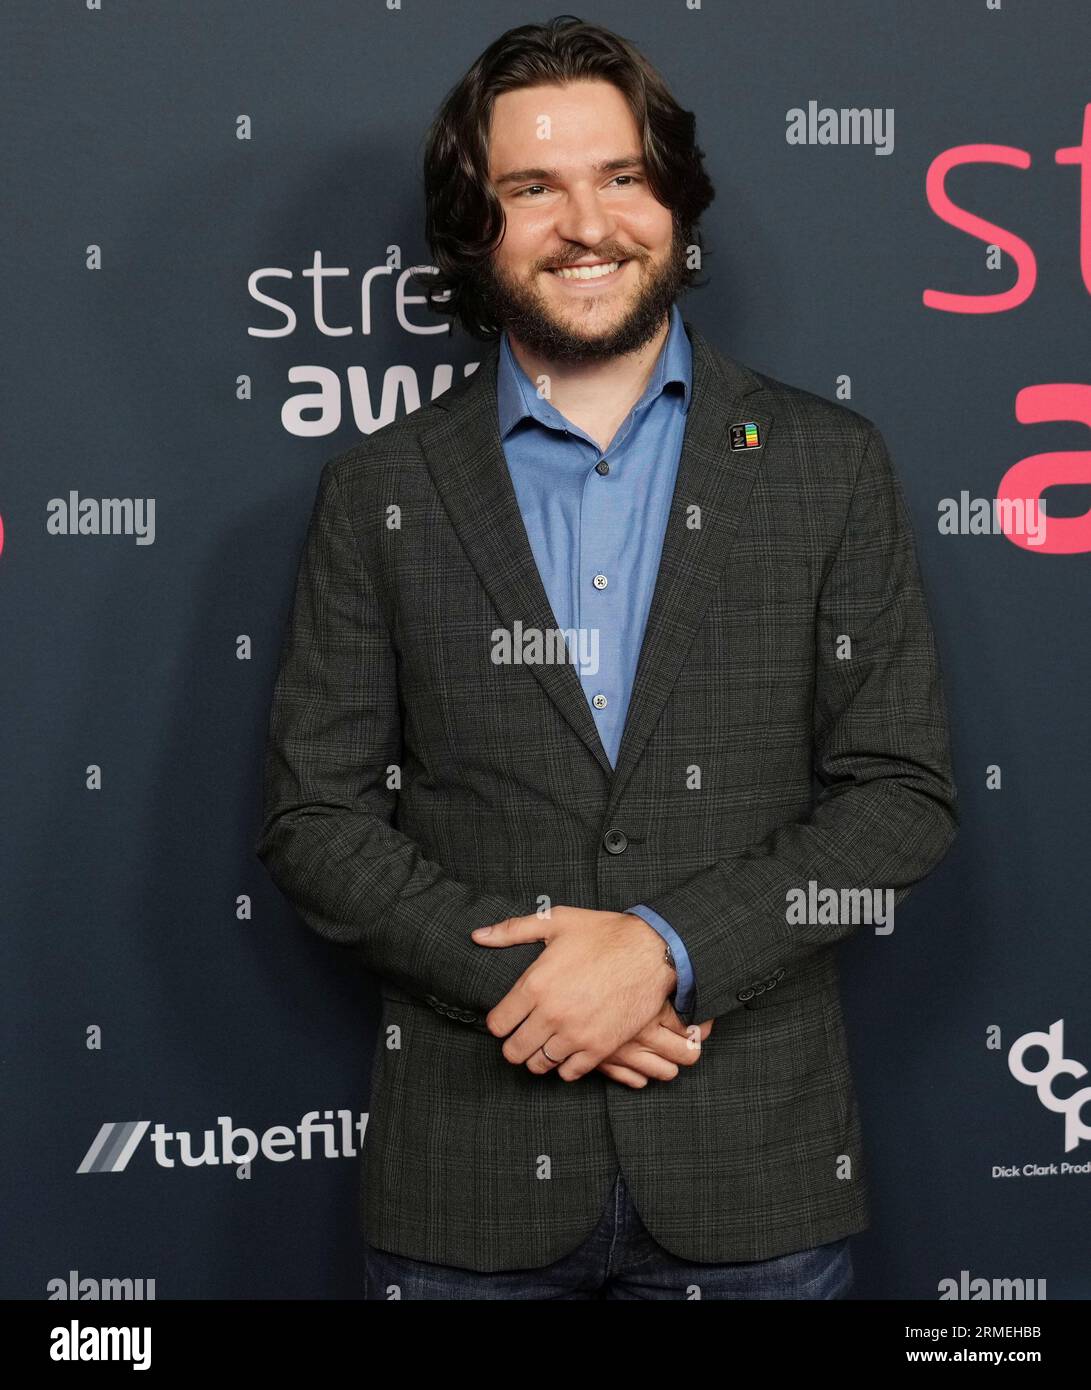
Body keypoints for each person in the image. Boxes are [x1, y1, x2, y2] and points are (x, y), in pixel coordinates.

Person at [255, 15, 958, 1300]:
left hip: (757, 1173)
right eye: (533, 187)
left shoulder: (823, 464)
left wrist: (661, 950)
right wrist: (542, 986)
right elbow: (317, 819)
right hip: (468, 1178)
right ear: (477, 226)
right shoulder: (378, 492)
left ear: (674, 200)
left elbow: (898, 795)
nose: (585, 223)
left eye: (619, 176)